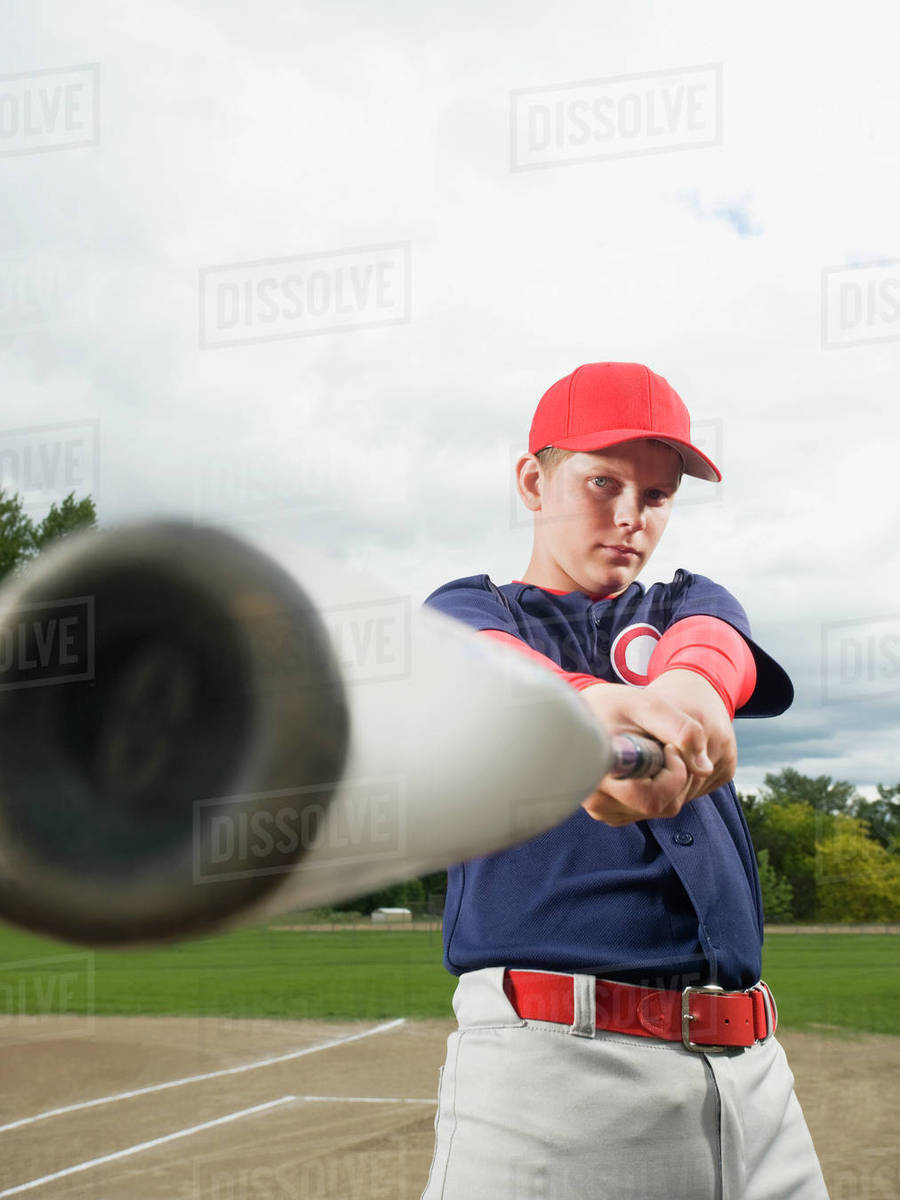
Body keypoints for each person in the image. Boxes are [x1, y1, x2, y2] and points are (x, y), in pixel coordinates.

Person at [419, 363, 829, 1200]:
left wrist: (685, 693)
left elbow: (715, 648)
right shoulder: (469, 609)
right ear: (533, 481)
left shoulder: (686, 601)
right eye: (602, 482)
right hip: (552, 1077)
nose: (630, 517)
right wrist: (589, 713)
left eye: (658, 494)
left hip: (756, 1081)